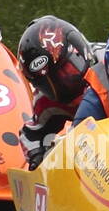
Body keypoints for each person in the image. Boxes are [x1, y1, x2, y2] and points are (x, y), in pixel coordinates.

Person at [16, 16, 97, 169]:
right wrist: (38, 158)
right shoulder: (45, 101)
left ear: (79, 52)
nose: (63, 83)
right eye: (48, 83)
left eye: (66, 70)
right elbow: (30, 134)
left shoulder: (108, 66)